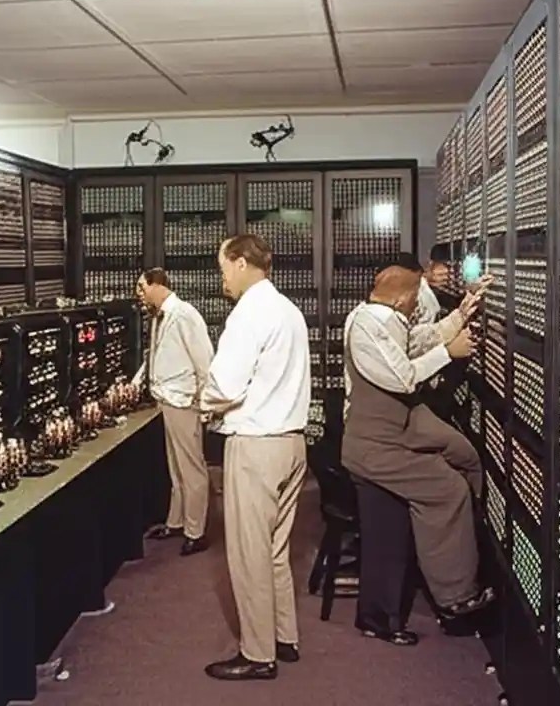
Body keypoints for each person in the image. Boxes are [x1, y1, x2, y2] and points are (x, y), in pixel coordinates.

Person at [339, 267, 494, 639]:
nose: (416, 308)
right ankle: (456, 595)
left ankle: (467, 546)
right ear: (403, 299)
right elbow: (404, 376)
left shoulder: (384, 319)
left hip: (396, 428)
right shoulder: (367, 325)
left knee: (463, 455)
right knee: (447, 490)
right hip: (377, 445)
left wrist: (461, 313)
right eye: (414, 299)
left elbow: (415, 339)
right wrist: (449, 352)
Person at [200, 234, 311, 681]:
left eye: (223, 267)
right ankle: (285, 637)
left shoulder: (248, 314)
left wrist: (203, 400)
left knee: (248, 555)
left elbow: (225, 386)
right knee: (277, 551)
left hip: (255, 447)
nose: (222, 277)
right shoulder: (288, 310)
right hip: (292, 444)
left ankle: (258, 653)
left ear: (242, 263)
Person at [132, 268, 215, 556]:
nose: (139, 294)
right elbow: (154, 354)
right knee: (176, 467)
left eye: (142, 288)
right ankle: (177, 521)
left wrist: (205, 403)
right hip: (166, 400)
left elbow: (204, 361)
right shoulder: (160, 316)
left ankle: (197, 531)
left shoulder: (184, 315)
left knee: (191, 468)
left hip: (183, 402)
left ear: (158, 285)